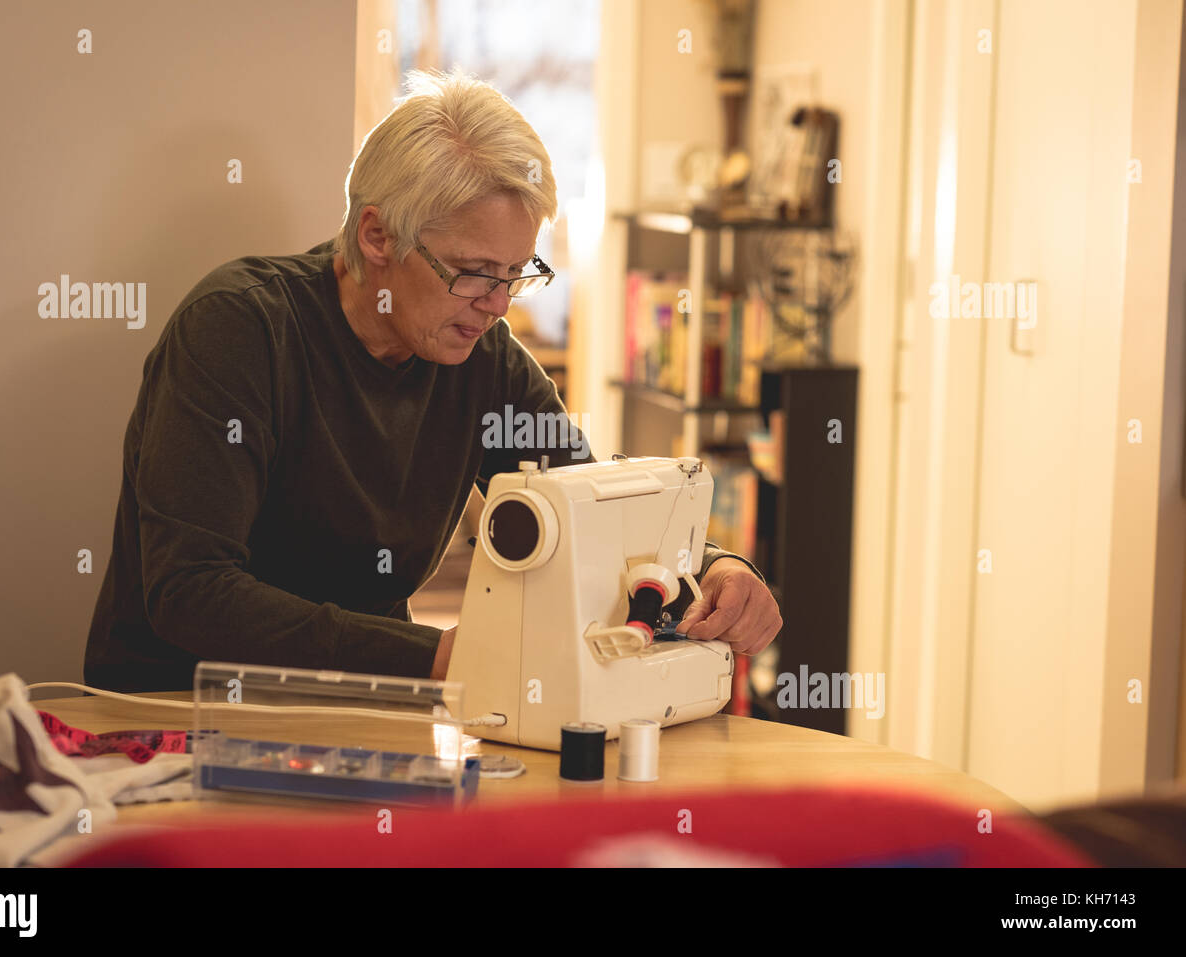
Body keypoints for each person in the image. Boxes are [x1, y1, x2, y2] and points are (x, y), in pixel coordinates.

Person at [84, 69, 782, 693]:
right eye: (475, 272)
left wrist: (716, 568)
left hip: (364, 709)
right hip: (173, 710)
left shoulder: (486, 360)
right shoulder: (239, 329)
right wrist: (437, 655)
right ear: (377, 237)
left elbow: (591, 519)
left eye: (518, 274)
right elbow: (191, 593)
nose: (500, 304)